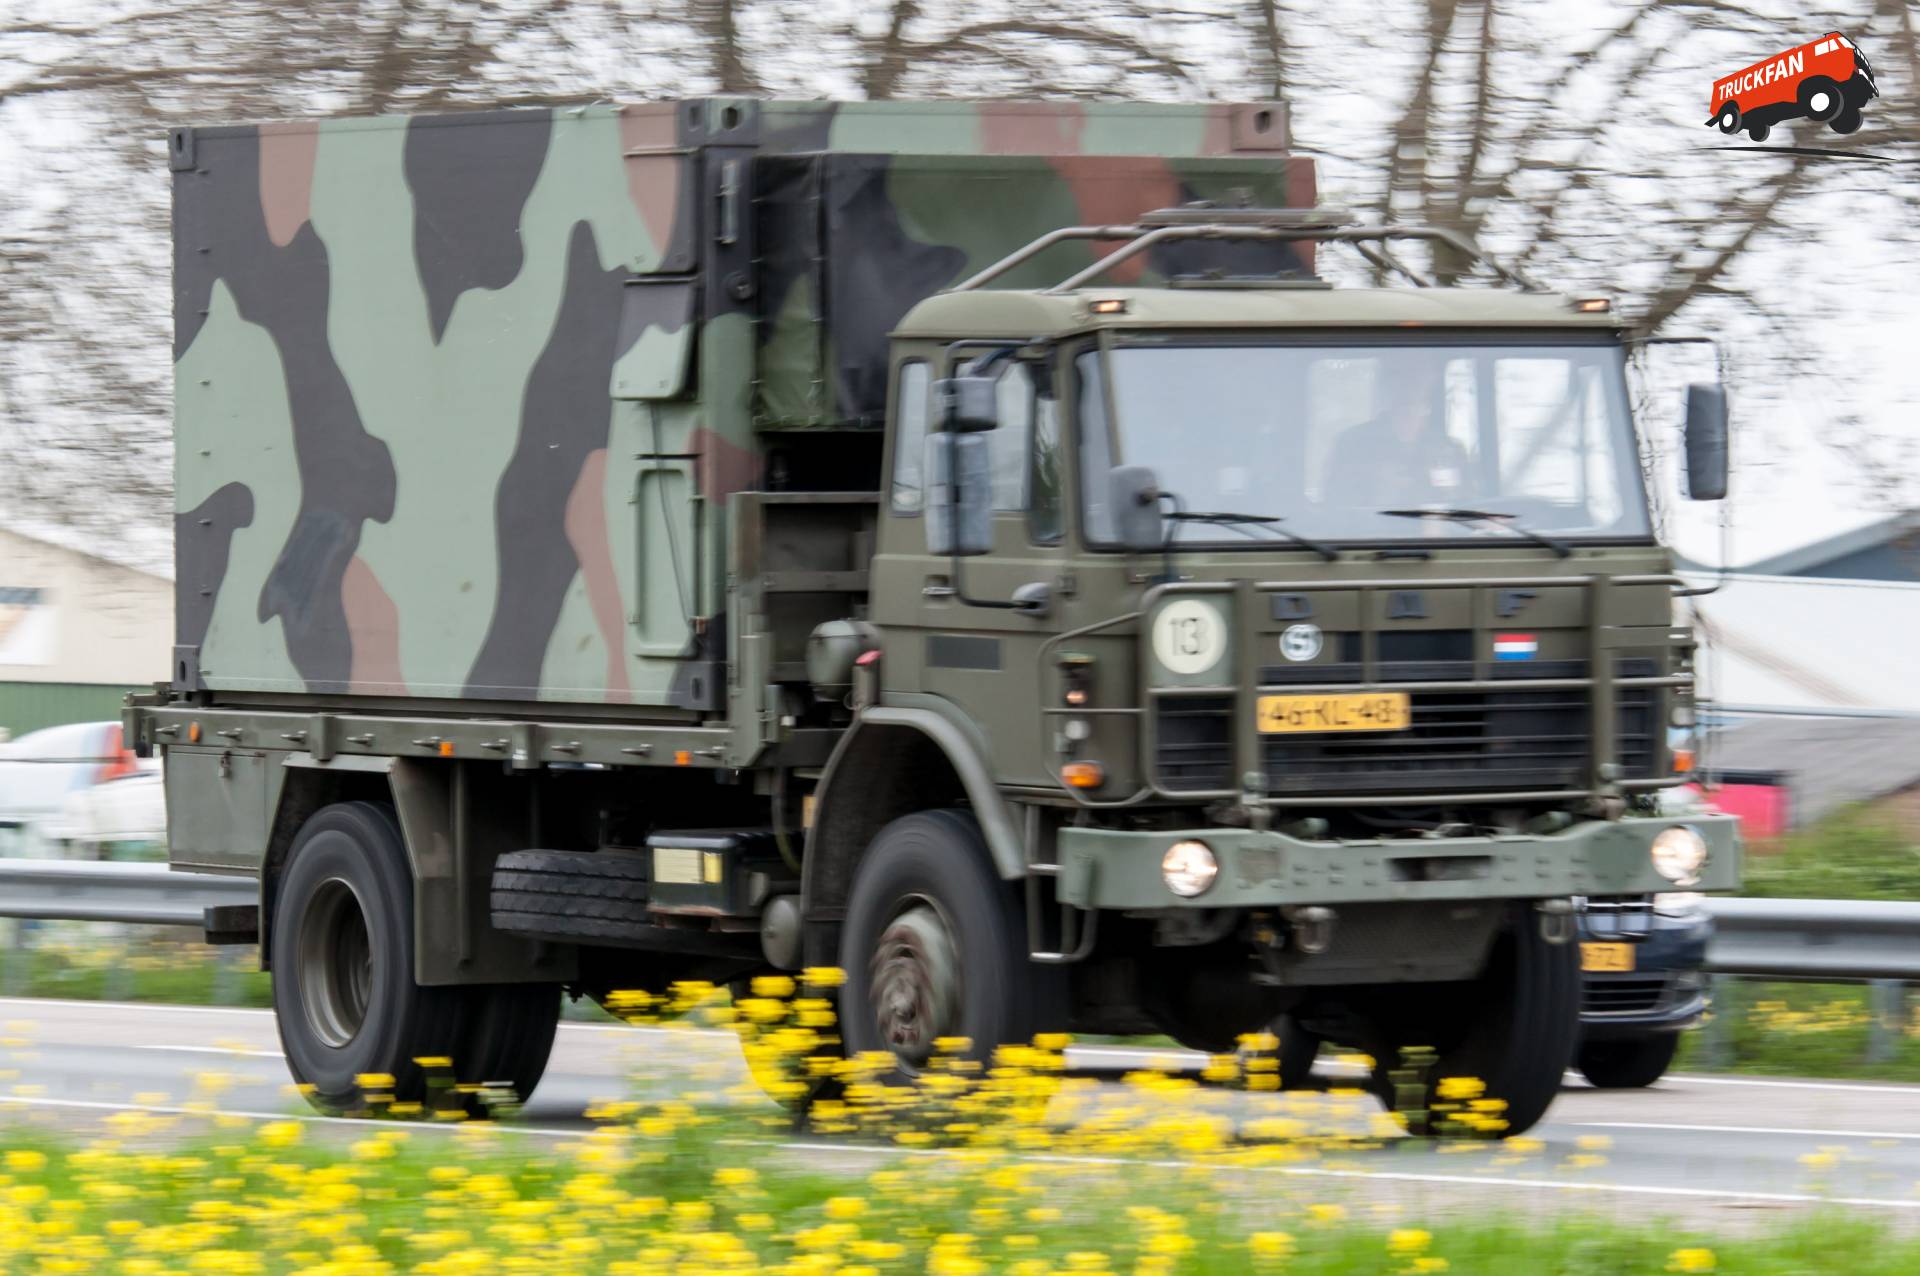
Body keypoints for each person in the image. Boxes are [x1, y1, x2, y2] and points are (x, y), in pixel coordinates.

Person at [1323, 357, 1476, 509]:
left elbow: (1468, 512)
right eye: (1399, 373)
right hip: (1371, 533)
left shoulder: (1450, 450)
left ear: (1432, 378)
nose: (1409, 381)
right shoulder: (1352, 445)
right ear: (1387, 380)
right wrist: (1379, 493)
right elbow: (1334, 512)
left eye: (1417, 372)